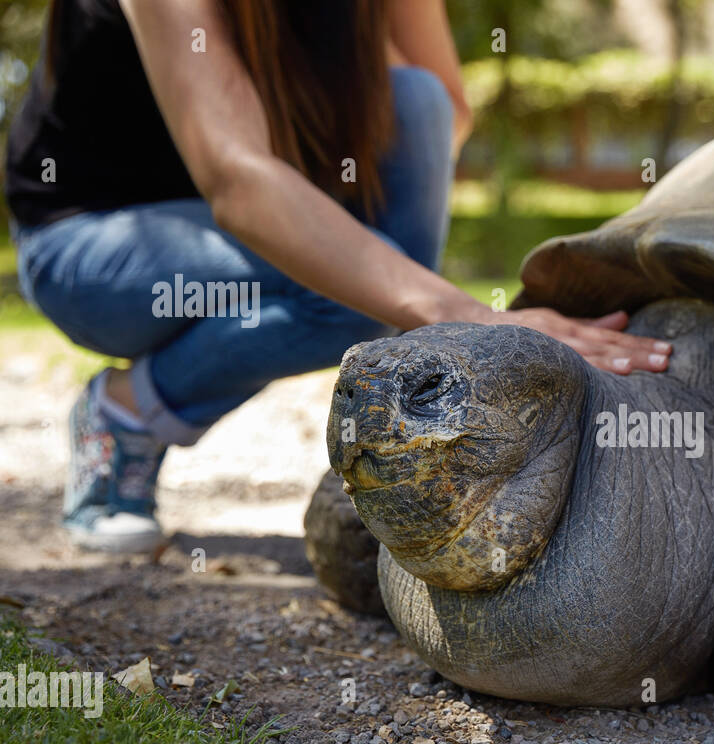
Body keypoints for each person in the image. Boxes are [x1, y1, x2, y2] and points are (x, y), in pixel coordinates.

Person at [4, 0, 671, 553]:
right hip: (88, 243)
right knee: (376, 282)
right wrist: (468, 313)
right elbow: (239, 181)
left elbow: (446, 111)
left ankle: (393, 414)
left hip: (236, 216)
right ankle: (126, 412)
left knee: (414, 112)